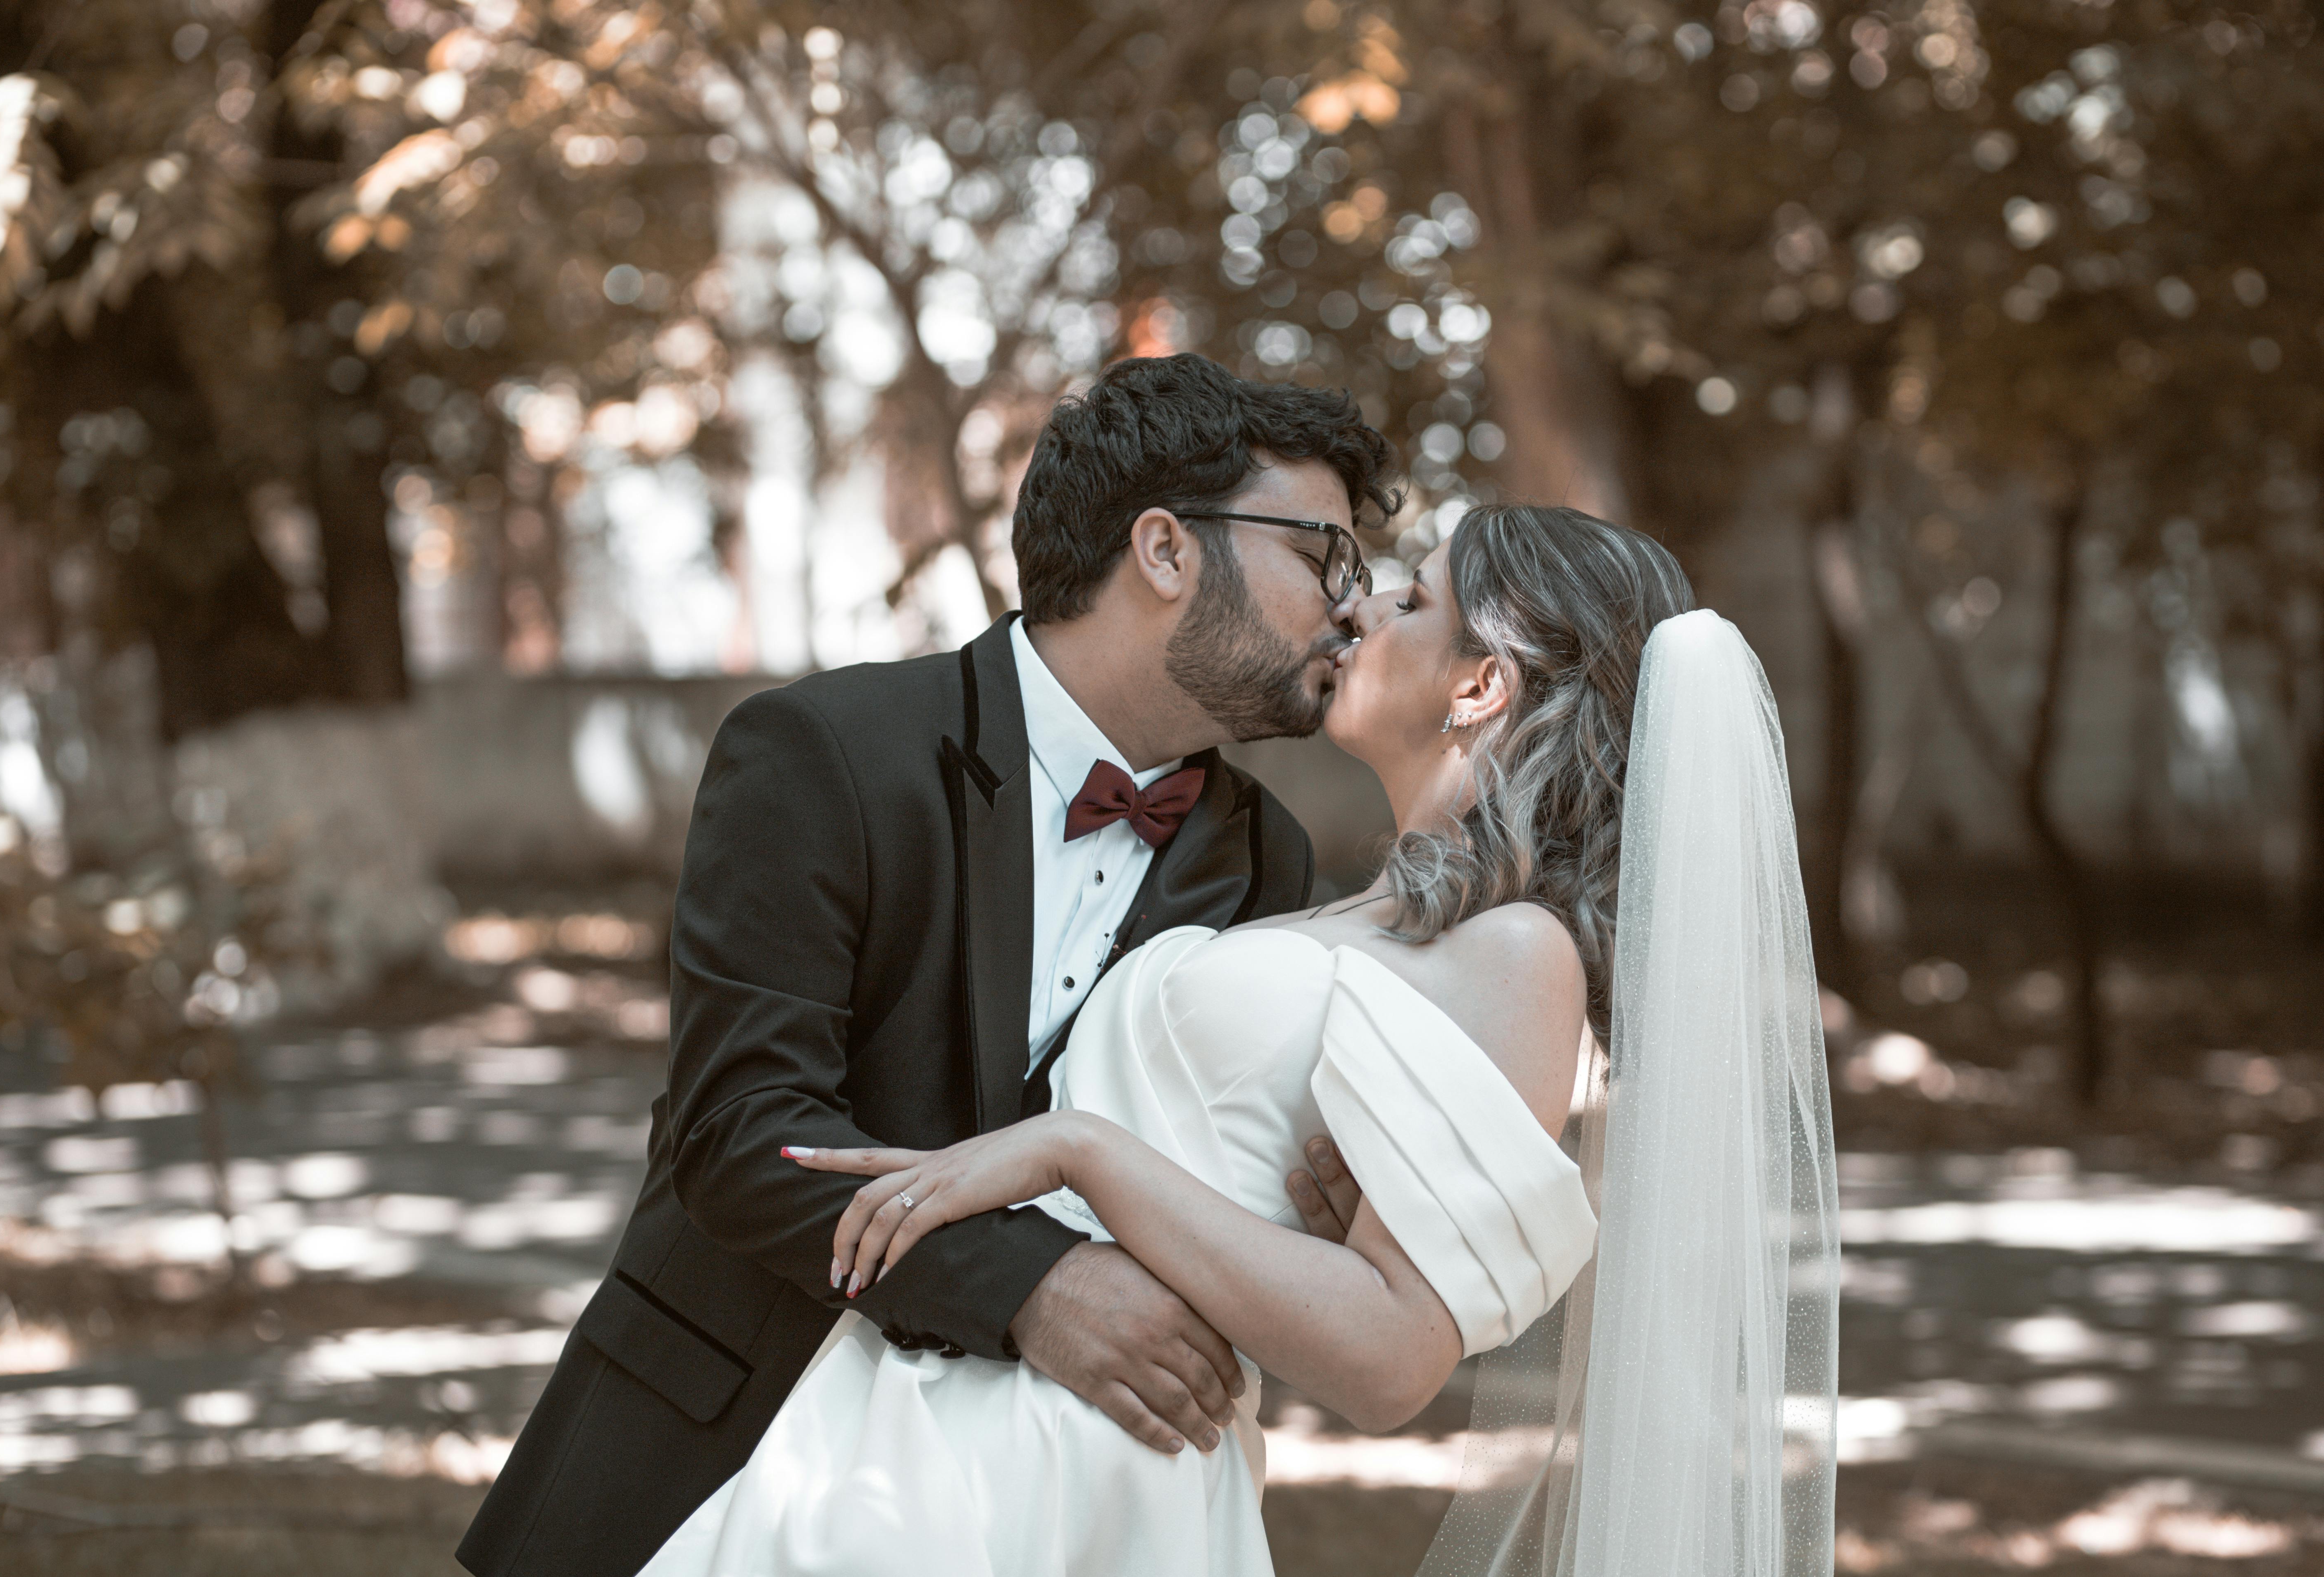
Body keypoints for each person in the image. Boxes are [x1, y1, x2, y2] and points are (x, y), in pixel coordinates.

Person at [634, 504, 1843, 1576]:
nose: (1360, 603)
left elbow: (1384, 1361)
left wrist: (1081, 1152)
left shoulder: (1520, 955)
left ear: (1481, 686)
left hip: (1089, 1456)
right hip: (926, 1407)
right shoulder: (1327, 892)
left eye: (1411, 597)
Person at [457, 352, 1403, 1577]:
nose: (1350, 605)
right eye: (1322, 553)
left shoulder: (1263, 851)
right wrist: (1034, 1284)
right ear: (1165, 551)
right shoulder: (821, 753)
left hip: (1055, 1493)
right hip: (733, 1453)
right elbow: (739, 1136)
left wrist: (1305, 1204)